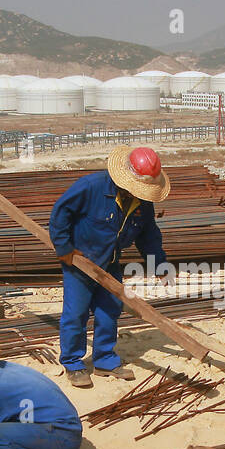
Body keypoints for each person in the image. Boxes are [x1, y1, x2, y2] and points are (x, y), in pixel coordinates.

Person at [48, 146, 171, 389]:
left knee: (109, 312)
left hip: (111, 263)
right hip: (80, 263)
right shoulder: (90, 187)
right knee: (76, 314)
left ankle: (104, 360)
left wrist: (158, 264)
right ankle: (73, 363)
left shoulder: (142, 203)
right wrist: (64, 249)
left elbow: (148, 235)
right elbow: (60, 214)